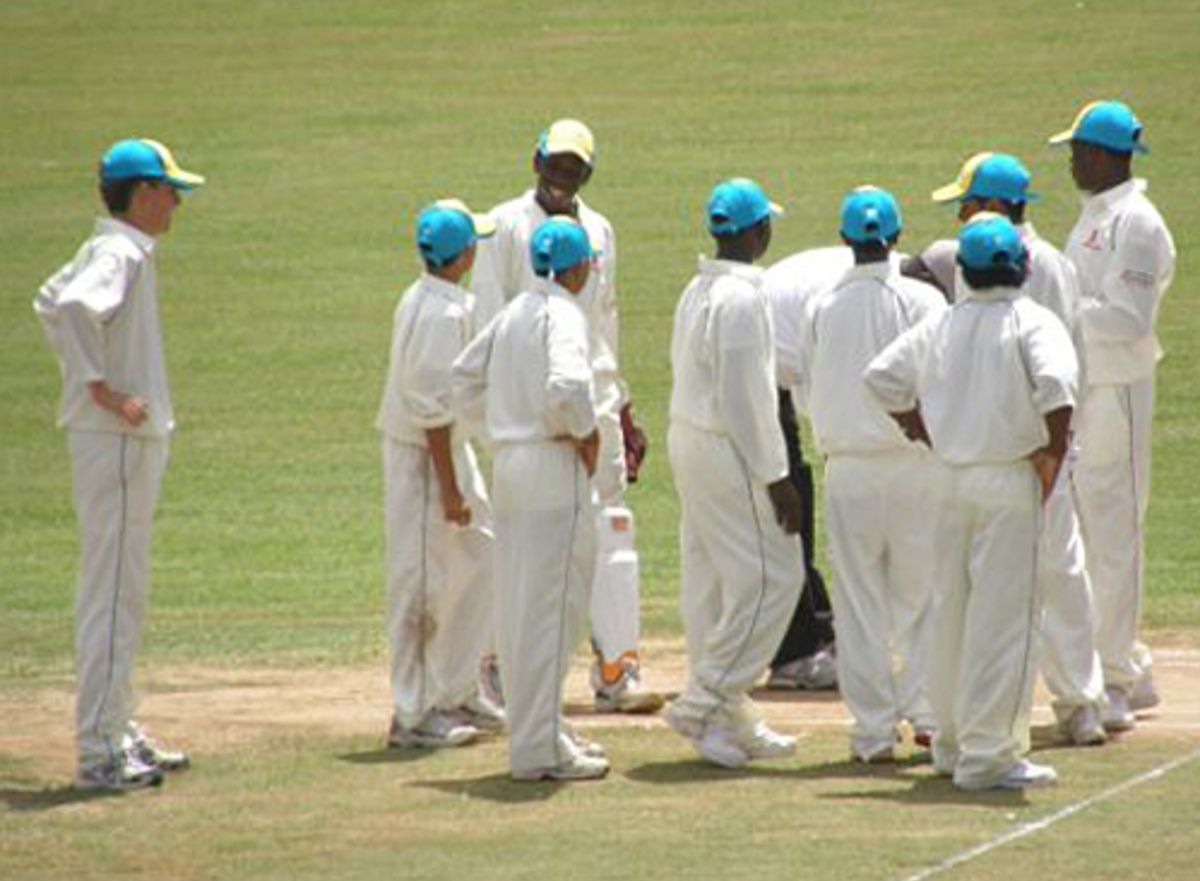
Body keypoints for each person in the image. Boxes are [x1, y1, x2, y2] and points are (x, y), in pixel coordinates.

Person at [864, 213, 1079, 790]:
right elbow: (1058, 388)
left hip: (949, 479)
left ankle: (955, 744)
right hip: (1008, 480)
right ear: (1023, 267)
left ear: (964, 271)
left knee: (952, 616)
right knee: (1003, 622)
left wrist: (922, 429)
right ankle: (990, 756)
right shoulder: (1033, 321)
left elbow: (881, 378)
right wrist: (1053, 452)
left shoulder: (941, 324)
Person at [915, 152, 1108, 746]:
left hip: (1023, 445)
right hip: (1037, 440)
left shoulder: (1018, 262)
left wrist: (1048, 450)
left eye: (966, 205)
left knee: (1026, 579)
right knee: (1058, 568)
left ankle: (1059, 705)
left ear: (995, 206)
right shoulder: (1032, 257)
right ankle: (1079, 702)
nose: (961, 218)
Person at [471, 119, 660, 715]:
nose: (561, 176)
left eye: (573, 168)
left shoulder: (600, 229)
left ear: (587, 173)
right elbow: (489, 321)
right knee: (526, 538)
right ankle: (499, 665)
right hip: (530, 412)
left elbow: (605, 322)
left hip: (593, 403)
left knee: (610, 531)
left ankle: (615, 667)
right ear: (535, 160)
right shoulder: (502, 226)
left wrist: (620, 405)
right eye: (554, 164)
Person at [33, 138, 204, 791]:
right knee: (111, 589)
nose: (177, 202)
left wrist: (88, 380)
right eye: (170, 190)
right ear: (143, 192)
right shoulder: (120, 251)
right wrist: (98, 387)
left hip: (115, 440)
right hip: (118, 439)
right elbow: (74, 307)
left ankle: (115, 723)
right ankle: (99, 748)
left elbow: (48, 300)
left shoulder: (113, 245)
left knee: (120, 587)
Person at [451, 217, 607, 781]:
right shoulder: (562, 314)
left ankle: (540, 730)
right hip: (549, 467)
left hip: (512, 466)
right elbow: (567, 388)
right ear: (577, 266)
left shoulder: (513, 312)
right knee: (553, 608)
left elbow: (461, 379)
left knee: (523, 606)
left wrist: (498, 426)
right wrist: (582, 431)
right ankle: (538, 749)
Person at [794, 187, 946, 761]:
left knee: (859, 605)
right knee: (922, 594)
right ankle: (929, 714)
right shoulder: (926, 302)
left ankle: (873, 733)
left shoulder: (820, 306)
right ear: (898, 237)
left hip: (849, 470)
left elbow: (807, 395)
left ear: (845, 241)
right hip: (913, 465)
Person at [664, 178, 804, 768]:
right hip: (727, 447)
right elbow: (747, 399)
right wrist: (776, 476)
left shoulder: (699, 288)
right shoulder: (743, 299)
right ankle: (705, 699)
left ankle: (729, 716)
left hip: (691, 438)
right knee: (776, 577)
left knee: (717, 581)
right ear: (756, 232)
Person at [1049, 100, 1176, 731]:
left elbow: (1130, 318)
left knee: (1114, 531)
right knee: (1093, 527)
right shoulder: (1097, 216)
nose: (1071, 160)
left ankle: (1118, 678)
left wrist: (1065, 311)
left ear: (1103, 155)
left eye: (1076, 151)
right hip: (1091, 385)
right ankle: (1125, 664)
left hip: (1119, 390)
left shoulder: (1138, 223)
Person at [377, 199, 505, 750]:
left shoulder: (438, 299)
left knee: (481, 554)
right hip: (423, 459)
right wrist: (450, 488)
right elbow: (429, 410)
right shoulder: (439, 313)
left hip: (446, 448)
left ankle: (454, 688)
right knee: (421, 584)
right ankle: (413, 712)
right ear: (465, 254)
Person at [761, 247, 850, 690]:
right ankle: (792, 653)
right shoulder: (846, 295)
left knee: (797, 495)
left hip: (777, 370)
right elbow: (825, 393)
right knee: (787, 505)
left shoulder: (878, 281)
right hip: (761, 376)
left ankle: (816, 627)